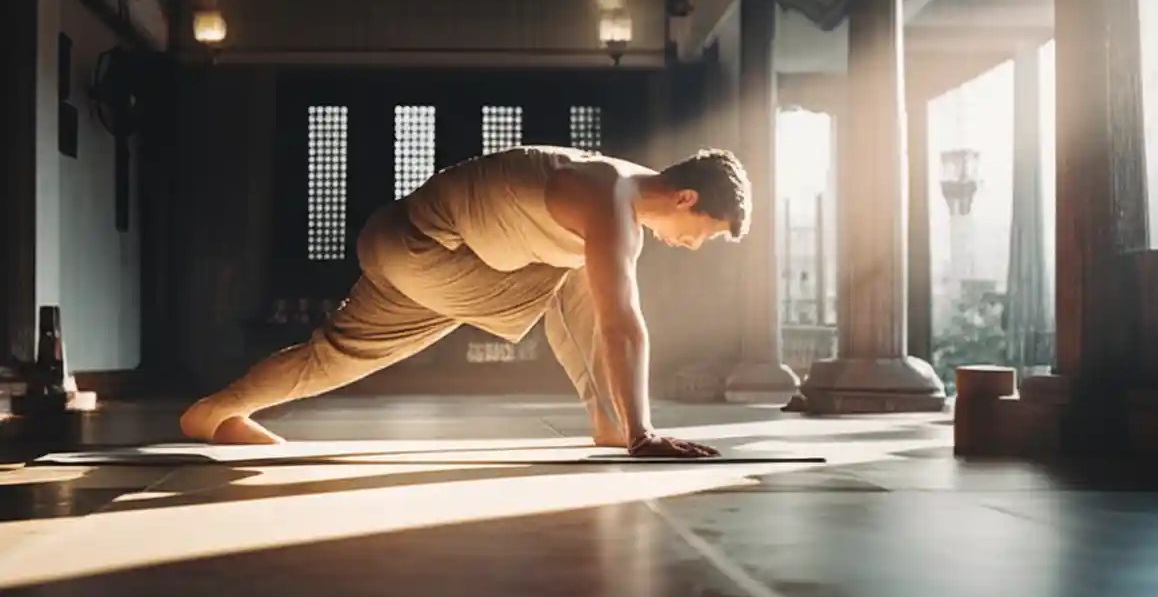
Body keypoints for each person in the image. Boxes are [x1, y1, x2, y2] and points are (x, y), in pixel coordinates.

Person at [179, 145, 751, 458]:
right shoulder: (610, 201)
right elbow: (620, 323)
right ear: (685, 197)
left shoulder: (616, 192)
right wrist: (644, 434)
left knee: (334, 356)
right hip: (422, 250)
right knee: (589, 279)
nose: (696, 245)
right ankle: (618, 423)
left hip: (415, 247)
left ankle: (212, 414)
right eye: (705, 230)